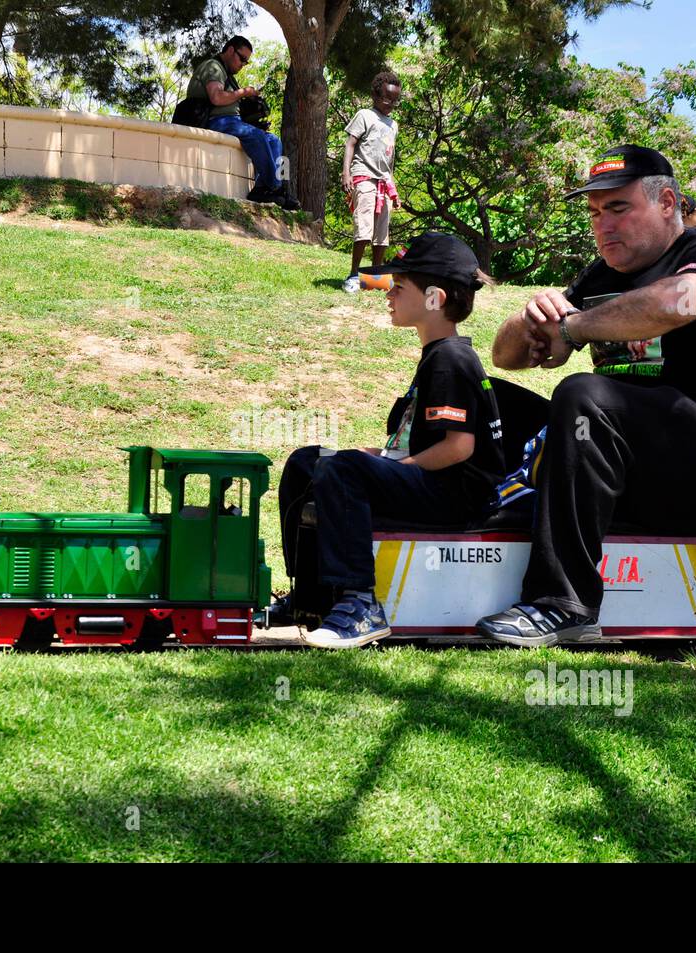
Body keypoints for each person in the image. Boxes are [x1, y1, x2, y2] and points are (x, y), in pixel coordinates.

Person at [476, 144, 696, 647]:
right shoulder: (600, 275)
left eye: (618, 208)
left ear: (667, 204)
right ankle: (458, 532)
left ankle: (563, 602)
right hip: (623, 466)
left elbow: (682, 301)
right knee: (486, 398)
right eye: (594, 213)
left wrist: (575, 328)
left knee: (585, 394)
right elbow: (507, 356)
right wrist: (531, 318)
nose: (602, 225)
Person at [274, 233, 506, 648]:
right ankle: (308, 598)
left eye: (399, 287)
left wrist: (391, 469)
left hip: (456, 496)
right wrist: (382, 456)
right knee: (306, 461)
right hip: (433, 480)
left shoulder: (450, 359)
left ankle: (361, 604)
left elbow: (459, 448)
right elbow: (421, 438)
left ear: (434, 298)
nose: (388, 295)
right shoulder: (437, 355)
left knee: (344, 470)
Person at [188, 37, 299, 210]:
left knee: (273, 140)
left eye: (246, 62)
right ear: (231, 50)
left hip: (232, 122)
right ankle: (277, 188)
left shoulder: (228, 75)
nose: (243, 65)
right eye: (242, 59)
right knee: (256, 136)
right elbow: (216, 97)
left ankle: (262, 188)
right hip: (214, 121)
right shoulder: (213, 67)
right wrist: (244, 92)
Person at [340, 71, 403, 294]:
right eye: (387, 98)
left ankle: (375, 276)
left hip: (384, 182)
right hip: (364, 176)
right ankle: (354, 275)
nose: (391, 104)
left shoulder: (393, 124)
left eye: (395, 100)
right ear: (376, 95)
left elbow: (389, 160)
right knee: (364, 229)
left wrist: (394, 189)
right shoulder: (365, 115)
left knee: (381, 233)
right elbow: (350, 144)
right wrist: (346, 173)